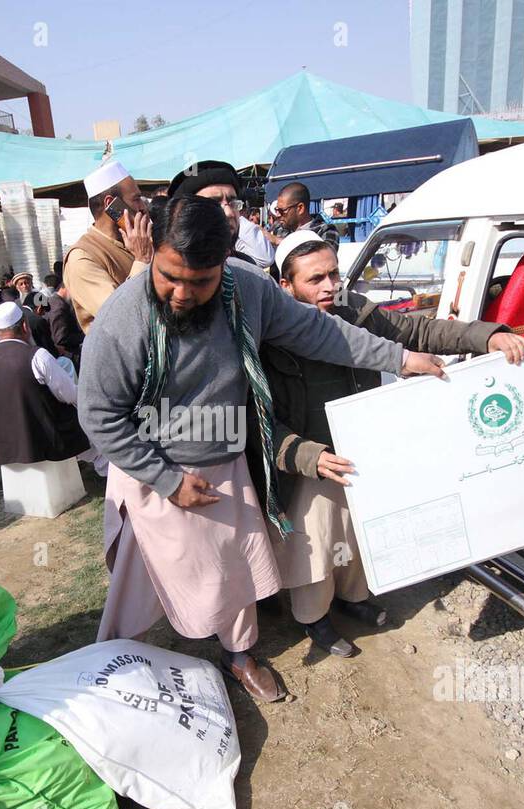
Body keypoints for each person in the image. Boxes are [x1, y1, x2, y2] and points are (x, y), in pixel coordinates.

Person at [77, 196, 447, 702]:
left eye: (199, 281)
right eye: (169, 275)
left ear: (224, 264)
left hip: (223, 461)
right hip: (151, 469)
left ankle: (238, 656)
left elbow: (320, 332)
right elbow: (98, 415)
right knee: (136, 588)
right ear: (155, 255)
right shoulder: (124, 316)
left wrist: (400, 358)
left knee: (232, 574)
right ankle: (113, 673)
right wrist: (166, 480)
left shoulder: (248, 293)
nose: (182, 294)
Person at [263, 232, 524, 655]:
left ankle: (353, 600)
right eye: (315, 279)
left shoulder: (360, 318)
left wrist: (489, 336)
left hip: (363, 450)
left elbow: (423, 330)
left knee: (358, 539)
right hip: (311, 463)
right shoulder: (269, 342)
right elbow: (262, 420)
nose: (329, 286)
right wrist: (307, 456)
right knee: (313, 546)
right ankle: (315, 620)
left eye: (334, 274)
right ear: (285, 286)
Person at [0, 301, 92, 469]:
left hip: (5, 446)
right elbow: (70, 395)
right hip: (45, 440)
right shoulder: (37, 356)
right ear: (24, 326)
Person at [62, 160, 153, 333]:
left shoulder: (139, 240)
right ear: (111, 204)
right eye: (136, 199)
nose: (142, 206)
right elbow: (120, 318)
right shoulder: (81, 258)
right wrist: (142, 260)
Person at [168, 160, 272, 268]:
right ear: (185, 214)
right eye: (214, 203)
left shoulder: (253, 275)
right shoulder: (162, 274)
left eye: (233, 203)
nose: (229, 213)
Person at [36, 272, 85, 370]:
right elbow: (60, 338)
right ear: (66, 288)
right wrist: (85, 335)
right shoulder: (59, 307)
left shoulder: (55, 302)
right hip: (69, 356)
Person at [274, 182, 339, 248]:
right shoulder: (279, 229)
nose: (278, 214)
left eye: (282, 211)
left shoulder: (326, 231)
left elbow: (324, 255)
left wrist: (278, 241)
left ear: (300, 208)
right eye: (276, 210)